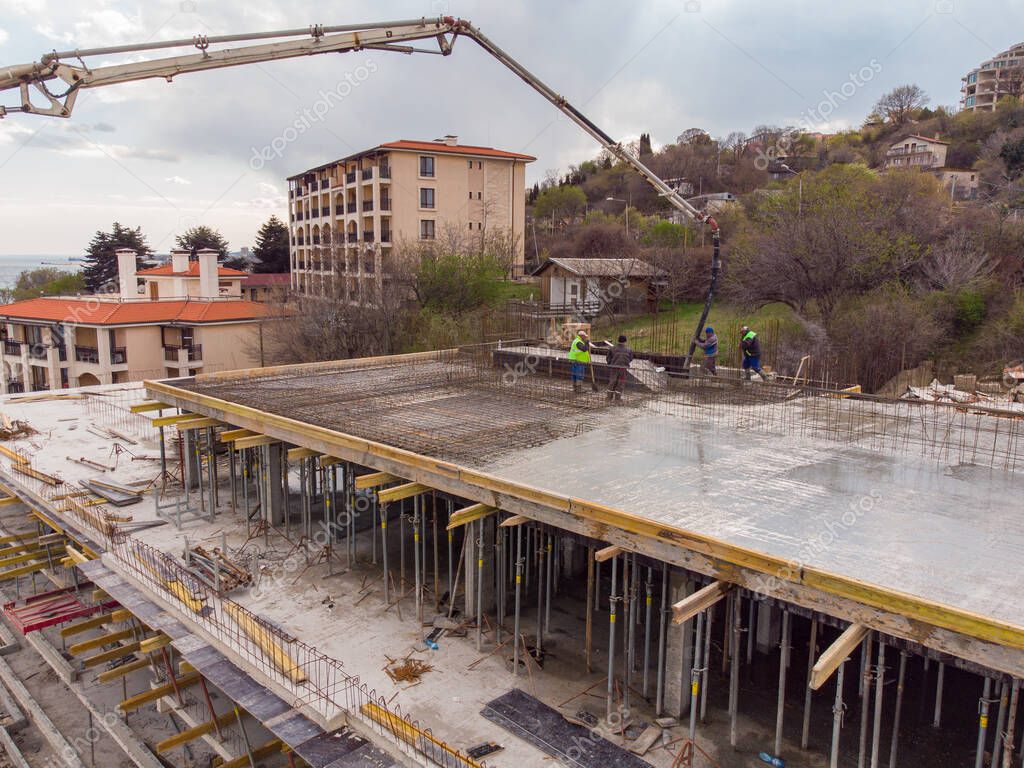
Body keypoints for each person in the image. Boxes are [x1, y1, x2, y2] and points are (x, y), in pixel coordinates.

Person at [605, 335, 634, 401]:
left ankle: (609, 397)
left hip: (614, 368)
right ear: (625, 341)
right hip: (623, 369)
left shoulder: (612, 348)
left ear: (618, 340)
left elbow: (608, 358)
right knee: (621, 383)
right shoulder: (628, 350)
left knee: (612, 382)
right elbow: (631, 358)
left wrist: (611, 364)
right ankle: (617, 398)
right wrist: (625, 363)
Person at [567, 329, 591, 393]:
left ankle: (575, 388)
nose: (586, 337)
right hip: (579, 361)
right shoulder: (578, 342)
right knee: (579, 375)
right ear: (581, 336)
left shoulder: (577, 341)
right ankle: (578, 389)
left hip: (575, 360)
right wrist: (587, 343)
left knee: (575, 374)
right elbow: (584, 349)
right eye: (585, 336)